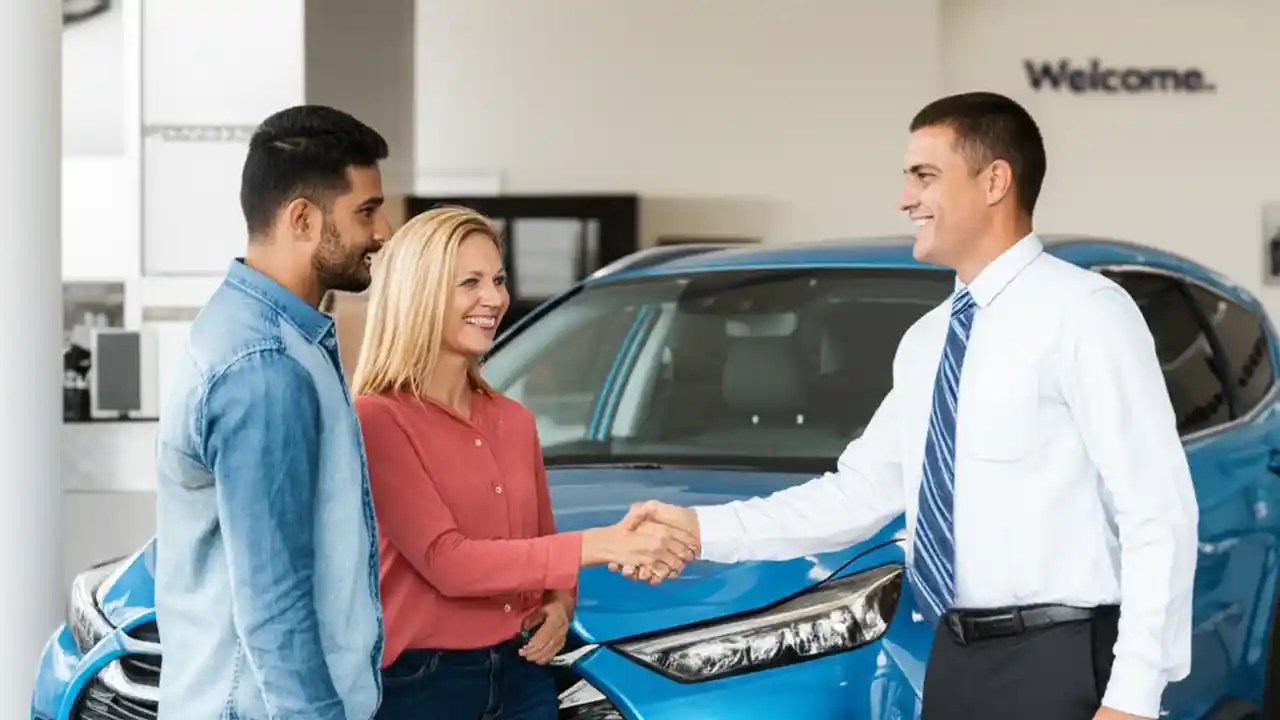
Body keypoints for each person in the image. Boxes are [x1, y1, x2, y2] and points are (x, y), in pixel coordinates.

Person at [615, 91, 1198, 720]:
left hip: (1058, 661)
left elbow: (1157, 512)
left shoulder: (1086, 313)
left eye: (925, 176)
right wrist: (702, 530)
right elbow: (857, 495)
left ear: (995, 180)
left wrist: (1134, 696)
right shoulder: (929, 342)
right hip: (952, 656)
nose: (904, 198)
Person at [350, 206, 699, 719]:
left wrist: (560, 605)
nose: (493, 299)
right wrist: (606, 543)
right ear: (418, 294)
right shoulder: (377, 419)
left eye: (497, 279)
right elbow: (449, 563)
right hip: (423, 686)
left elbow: (537, 539)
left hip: (522, 675)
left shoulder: (512, 420)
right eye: (469, 282)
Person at [153, 105, 393, 720]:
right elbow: (273, 599)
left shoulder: (266, 339)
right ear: (304, 219)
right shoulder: (265, 368)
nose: (384, 230)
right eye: (366, 210)